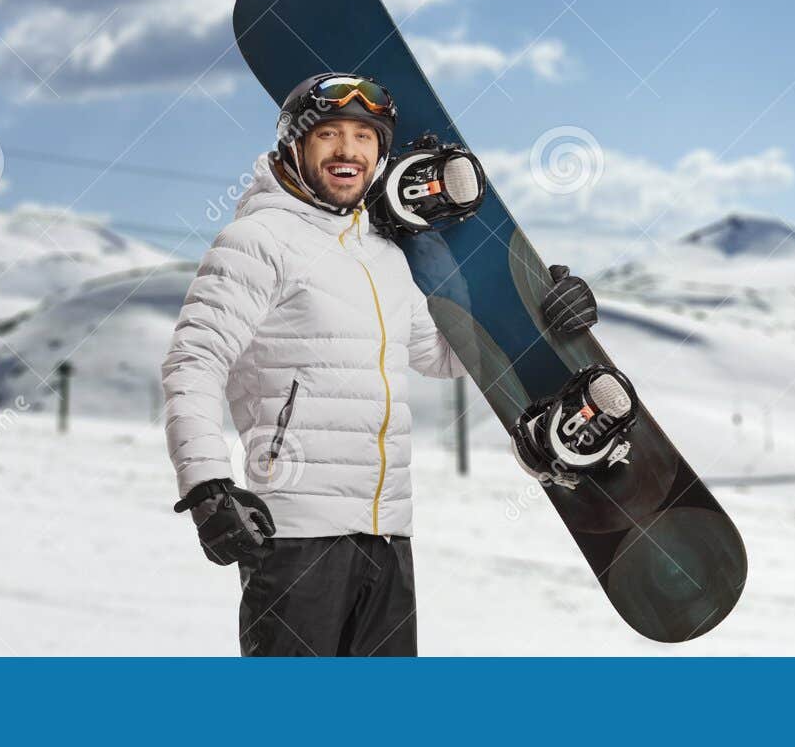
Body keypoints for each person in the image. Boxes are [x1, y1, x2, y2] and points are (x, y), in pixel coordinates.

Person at [162, 72, 598, 656]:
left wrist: (541, 318)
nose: (348, 150)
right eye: (330, 134)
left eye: (365, 137)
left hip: (388, 538)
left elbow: (442, 354)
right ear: (294, 144)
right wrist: (207, 487)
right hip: (297, 540)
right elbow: (194, 359)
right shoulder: (257, 240)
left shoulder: (384, 255)